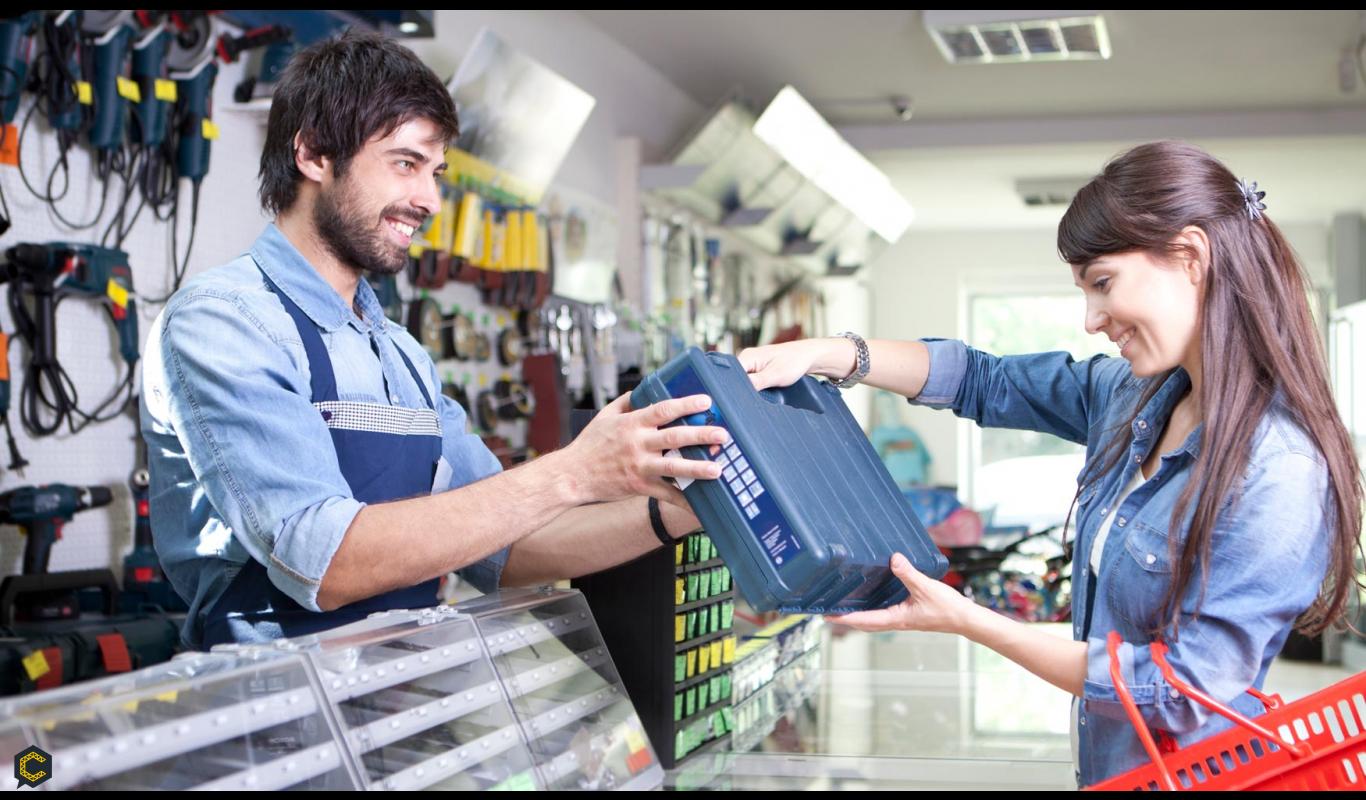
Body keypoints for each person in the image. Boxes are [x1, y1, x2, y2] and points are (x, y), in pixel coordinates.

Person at [739, 140, 1362, 787]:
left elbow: (1179, 691)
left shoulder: (1280, 470)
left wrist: (970, 622)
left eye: (1103, 283)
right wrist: (828, 352)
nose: (1092, 320)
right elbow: (984, 379)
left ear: (1191, 258)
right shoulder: (1134, 396)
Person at [140, 30, 727, 649]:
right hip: (273, 713)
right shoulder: (223, 322)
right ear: (313, 155)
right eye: (404, 164)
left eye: (436, 172)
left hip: (396, 702)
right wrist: (575, 472)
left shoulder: (402, 353)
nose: (429, 200)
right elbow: (326, 563)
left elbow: (505, 549)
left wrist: (683, 510)